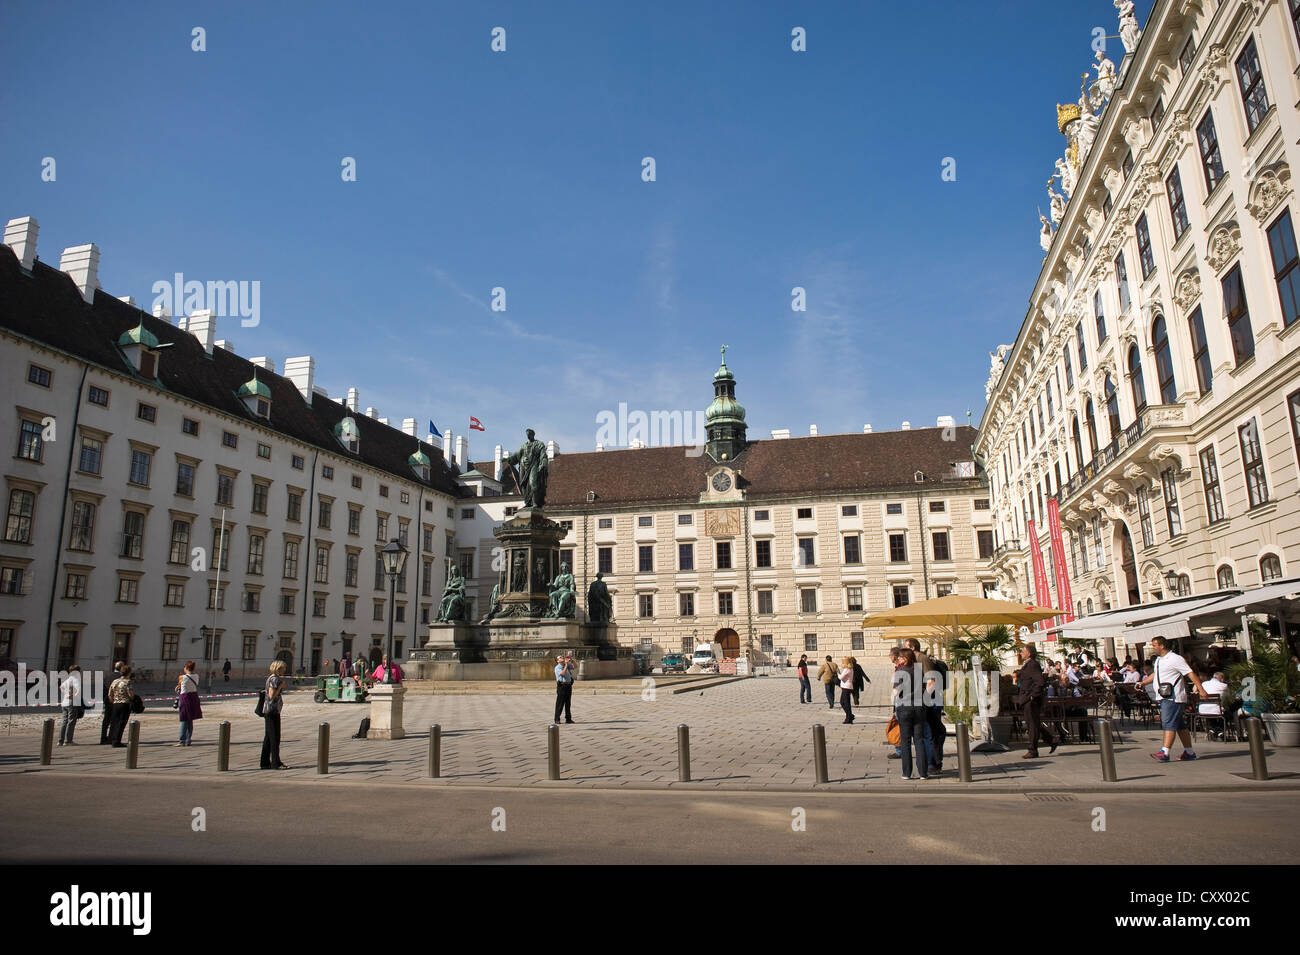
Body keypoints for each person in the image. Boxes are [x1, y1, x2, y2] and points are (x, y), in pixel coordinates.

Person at [1138, 635, 1206, 761]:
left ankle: (1165, 752)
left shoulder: (1175, 659)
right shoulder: (1159, 659)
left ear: (1162, 645)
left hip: (1173, 697)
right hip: (1164, 696)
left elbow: (1189, 673)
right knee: (1180, 726)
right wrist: (1143, 682)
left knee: (1168, 723)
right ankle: (1189, 752)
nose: (1153, 648)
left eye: (1154, 645)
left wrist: (1201, 689)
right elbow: (1156, 674)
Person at [904, 636, 945, 774]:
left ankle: (934, 763)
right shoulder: (915, 660)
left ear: (912, 647)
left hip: (932, 701)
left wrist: (924, 699)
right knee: (925, 732)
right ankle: (930, 762)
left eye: (906, 647)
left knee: (932, 732)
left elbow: (931, 680)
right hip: (924, 701)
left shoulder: (923, 659)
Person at [1014, 643, 1057, 759]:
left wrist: (1033, 696)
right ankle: (1051, 740)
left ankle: (1032, 750)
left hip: (1031, 699)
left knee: (1032, 724)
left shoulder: (1032, 664)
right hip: (1026, 698)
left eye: (1023, 651)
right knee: (1033, 723)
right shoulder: (1027, 664)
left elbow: (1039, 682)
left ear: (1029, 653)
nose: (1021, 653)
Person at [892, 648, 928, 779]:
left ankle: (907, 773)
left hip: (905, 707)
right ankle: (923, 773)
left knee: (906, 741)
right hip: (919, 707)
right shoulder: (919, 670)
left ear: (905, 658)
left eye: (901, 657)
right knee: (919, 740)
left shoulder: (900, 671)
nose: (899, 659)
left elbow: (896, 691)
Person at [261, 660, 288, 770]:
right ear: (278, 669)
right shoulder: (275, 679)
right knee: (275, 737)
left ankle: (264, 762)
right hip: (272, 711)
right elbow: (272, 695)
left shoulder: (270, 678)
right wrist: (280, 687)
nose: (284, 670)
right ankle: (275, 763)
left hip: (269, 710)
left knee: (268, 737)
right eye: (283, 668)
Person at [105, 665, 134, 748]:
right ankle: (117, 741)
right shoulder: (128, 682)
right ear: (129, 672)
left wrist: (113, 701)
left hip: (115, 704)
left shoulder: (115, 681)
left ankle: (112, 739)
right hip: (124, 704)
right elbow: (130, 695)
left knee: (114, 722)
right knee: (121, 723)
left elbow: (110, 693)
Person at [175, 661, 202, 746]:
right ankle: (188, 739)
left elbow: (177, 688)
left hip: (185, 698)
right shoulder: (196, 676)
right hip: (194, 697)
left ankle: (181, 741)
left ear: (186, 668)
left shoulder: (182, 677)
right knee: (190, 720)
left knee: (184, 719)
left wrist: (177, 688)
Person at [100, 661, 125, 744]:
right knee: (115, 720)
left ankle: (103, 738)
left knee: (106, 719)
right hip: (117, 701)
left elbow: (103, 689)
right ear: (122, 668)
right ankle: (111, 738)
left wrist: (105, 699)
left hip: (108, 700)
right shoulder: (122, 677)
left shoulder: (108, 676)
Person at [58, 665, 83, 746]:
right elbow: (78, 690)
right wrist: (74, 695)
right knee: (71, 721)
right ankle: (68, 740)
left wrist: (66, 694)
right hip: (72, 703)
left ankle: (60, 740)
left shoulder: (67, 679)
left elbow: (61, 687)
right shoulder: (76, 680)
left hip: (64, 702)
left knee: (64, 721)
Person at [553, 654, 575, 724]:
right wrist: (566, 665)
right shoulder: (557, 668)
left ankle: (568, 719)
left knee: (568, 703)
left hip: (568, 685)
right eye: (560, 657)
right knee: (560, 703)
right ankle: (557, 719)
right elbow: (562, 674)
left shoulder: (567, 665)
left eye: (562, 657)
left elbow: (575, 667)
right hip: (562, 686)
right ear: (558, 661)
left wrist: (572, 660)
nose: (562, 658)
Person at [838, 657, 855, 724]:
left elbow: (841, 678)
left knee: (844, 702)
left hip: (846, 687)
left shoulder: (847, 669)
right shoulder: (850, 669)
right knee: (845, 703)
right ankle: (849, 716)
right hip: (847, 687)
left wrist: (838, 674)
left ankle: (849, 716)